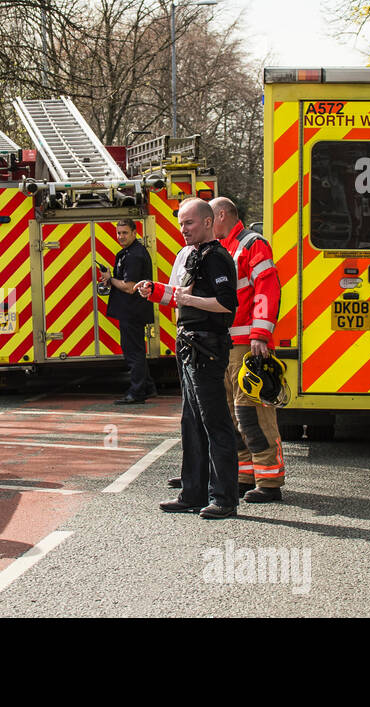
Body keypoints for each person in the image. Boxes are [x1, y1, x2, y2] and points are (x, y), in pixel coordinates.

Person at [136, 198, 240, 519]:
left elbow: (226, 304)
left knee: (215, 423)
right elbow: (180, 297)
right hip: (189, 344)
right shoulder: (192, 255)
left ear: (208, 222)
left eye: (189, 223)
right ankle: (193, 493)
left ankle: (224, 499)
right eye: (181, 223)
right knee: (191, 423)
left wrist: (188, 298)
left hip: (208, 347)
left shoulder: (218, 258)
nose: (183, 229)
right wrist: (154, 290)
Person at [211, 197, 286, 503]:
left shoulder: (252, 244)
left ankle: (269, 481)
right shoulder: (224, 248)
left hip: (245, 344)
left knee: (252, 413)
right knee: (232, 413)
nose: (206, 223)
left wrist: (260, 333)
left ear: (223, 214)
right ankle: (244, 475)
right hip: (228, 343)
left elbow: (267, 288)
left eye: (209, 217)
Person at [99, 219, 156, 404]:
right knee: (136, 350)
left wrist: (110, 278)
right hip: (132, 311)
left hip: (132, 312)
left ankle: (136, 393)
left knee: (134, 353)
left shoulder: (134, 256)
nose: (121, 236)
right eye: (118, 233)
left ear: (134, 232)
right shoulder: (129, 252)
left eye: (125, 233)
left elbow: (130, 287)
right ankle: (147, 387)